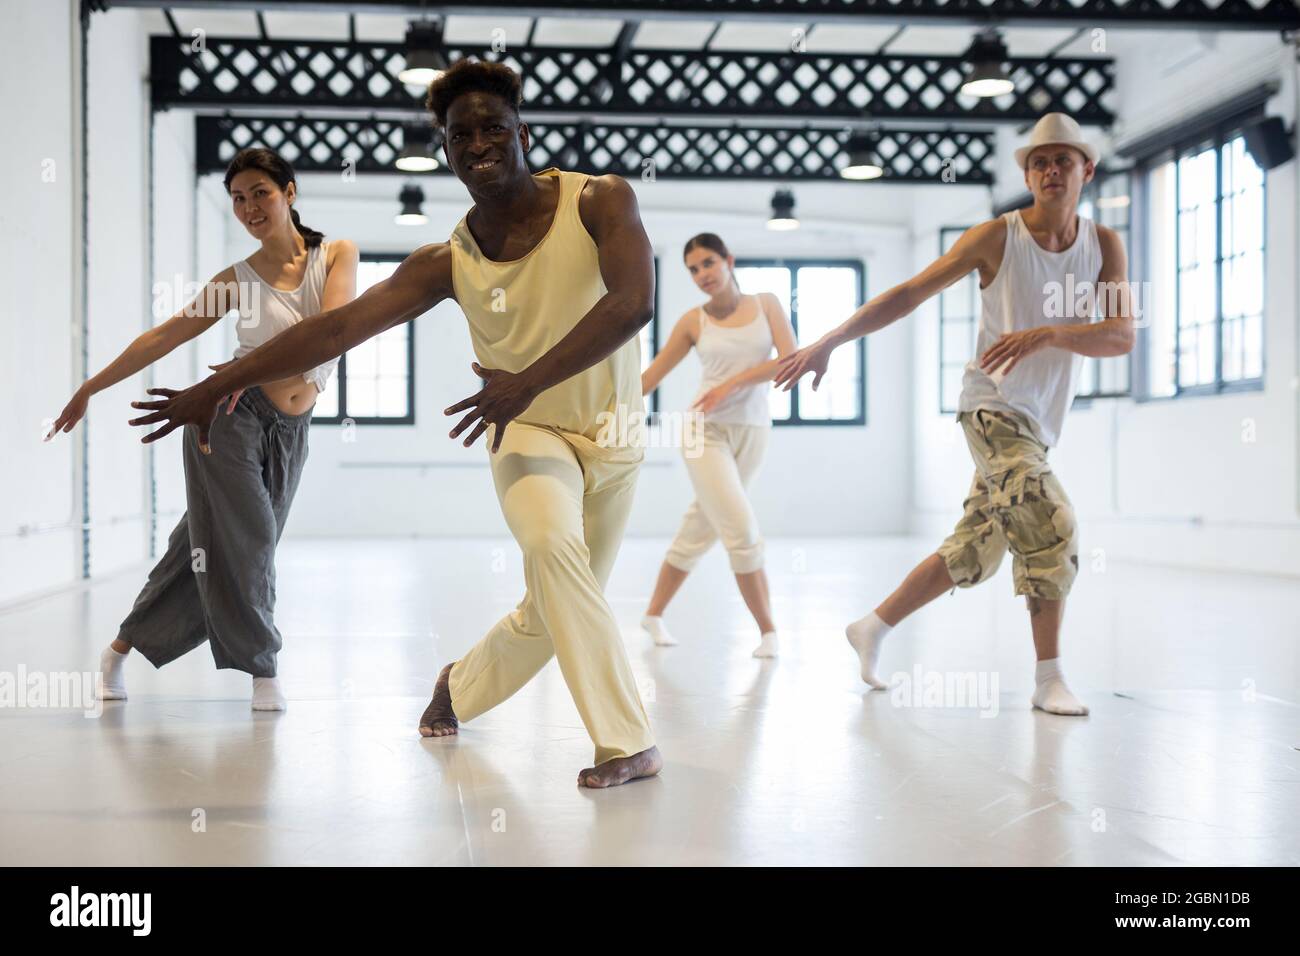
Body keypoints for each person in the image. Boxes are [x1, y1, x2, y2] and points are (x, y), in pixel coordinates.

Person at [126, 60, 662, 787]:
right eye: (460, 133)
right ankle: (626, 742)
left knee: (556, 605)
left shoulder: (599, 201)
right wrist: (220, 381)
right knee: (551, 545)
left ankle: (459, 685)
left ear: (522, 132)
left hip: (612, 434)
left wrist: (527, 380)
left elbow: (633, 303)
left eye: (492, 127)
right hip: (525, 432)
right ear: (445, 150)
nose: (479, 142)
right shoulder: (447, 261)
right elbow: (336, 329)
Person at [774, 113, 1135, 716]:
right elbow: (911, 292)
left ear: (1086, 170)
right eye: (1039, 162)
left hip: (1040, 425)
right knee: (1053, 521)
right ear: (1026, 173)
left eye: (1062, 161)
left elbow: (1121, 336)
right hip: (992, 410)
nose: (1050, 171)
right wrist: (831, 340)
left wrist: (1048, 334)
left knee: (977, 548)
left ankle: (871, 626)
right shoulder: (996, 237)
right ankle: (1049, 678)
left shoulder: (1105, 245)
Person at [48, 147, 359, 711]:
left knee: (205, 550)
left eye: (260, 193)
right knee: (252, 540)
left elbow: (331, 332)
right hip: (229, 418)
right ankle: (263, 670)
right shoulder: (237, 279)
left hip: (293, 428)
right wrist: (92, 385)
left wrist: (244, 366)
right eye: (238, 199)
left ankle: (118, 648)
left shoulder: (336, 255)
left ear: (289, 193)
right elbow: (164, 336)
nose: (248, 207)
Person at [639, 232, 796, 658]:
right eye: (693, 269)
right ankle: (769, 632)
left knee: (701, 524)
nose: (702, 274)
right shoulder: (694, 321)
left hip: (753, 430)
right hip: (702, 431)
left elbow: (789, 359)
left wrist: (731, 383)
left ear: (728, 260)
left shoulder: (766, 304)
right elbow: (650, 378)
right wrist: (596, 404)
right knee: (741, 529)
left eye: (708, 263)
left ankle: (652, 614)